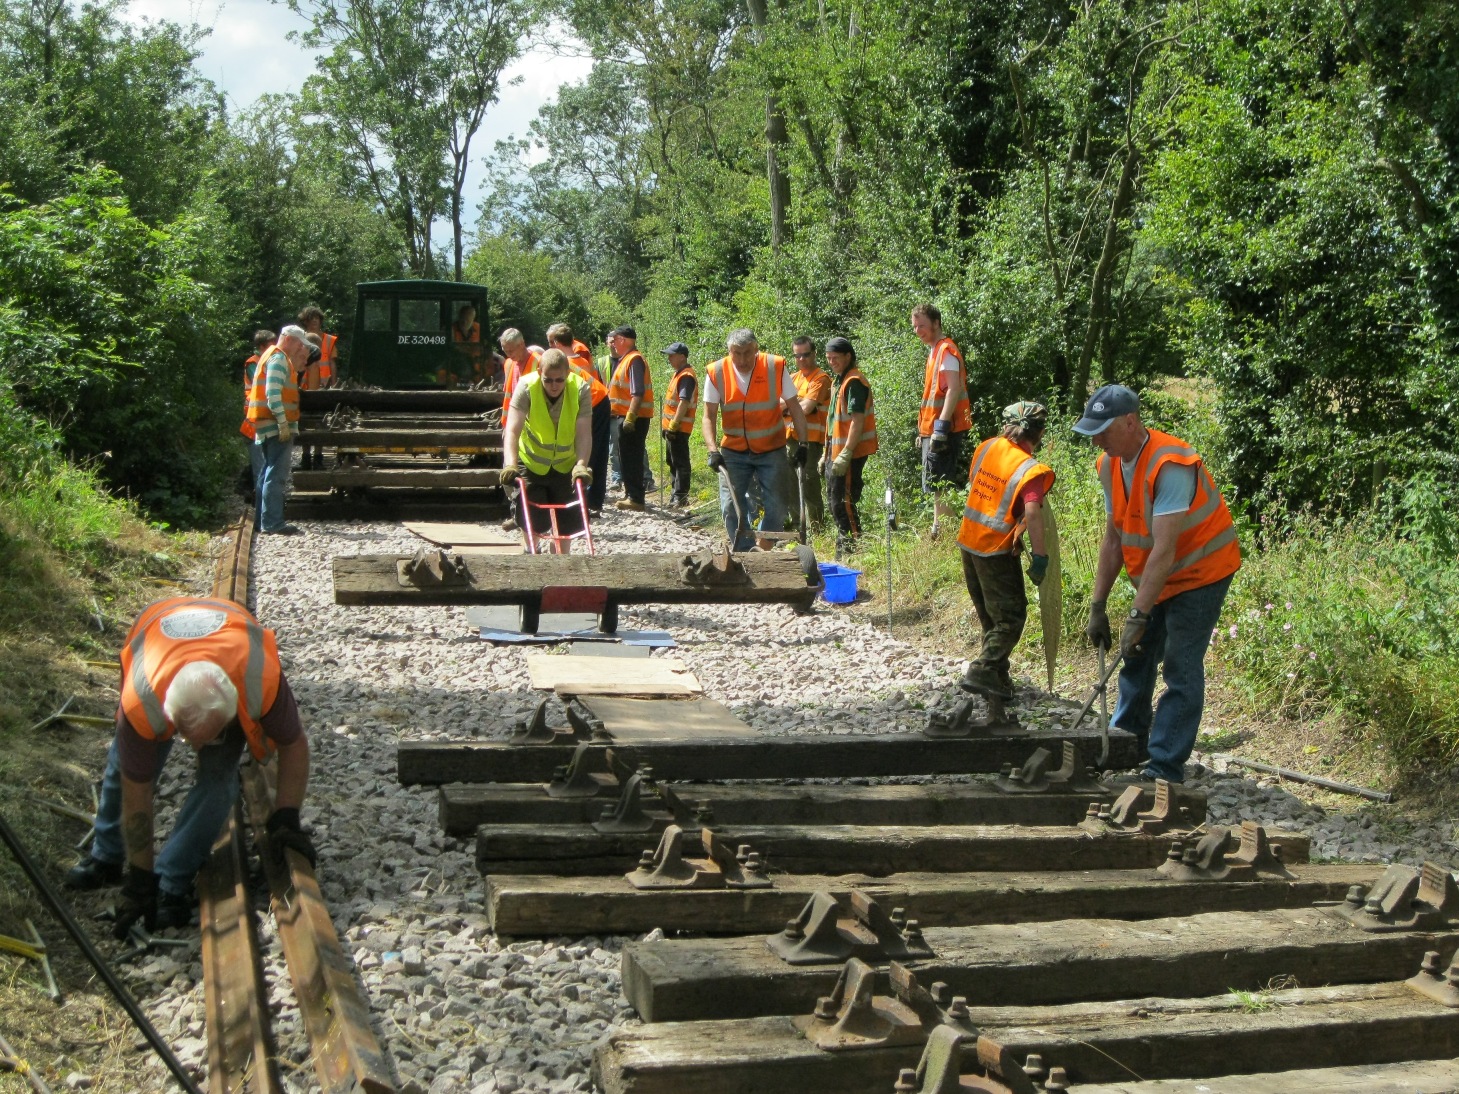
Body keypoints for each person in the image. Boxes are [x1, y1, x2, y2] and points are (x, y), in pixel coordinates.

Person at [64, 597, 314, 937]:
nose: (196, 748)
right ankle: (106, 855)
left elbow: (293, 743)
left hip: (230, 646)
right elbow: (136, 788)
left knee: (219, 780)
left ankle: (171, 881)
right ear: (169, 713)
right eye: (188, 736)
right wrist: (139, 880)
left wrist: (286, 816)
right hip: (157, 632)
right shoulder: (142, 698)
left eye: (206, 737)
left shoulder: (258, 678)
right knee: (125, 764)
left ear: (232, 709)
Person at [1074, 384, 1242, 784]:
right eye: (1092, 431)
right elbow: (1114, 538)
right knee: (1137, 654)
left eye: (1103, 430)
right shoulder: (1108, 463)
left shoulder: (1171, 464)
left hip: (1200, 572)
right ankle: (1126, 743)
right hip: (1159, 575)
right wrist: (1098, 605)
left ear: (1130, 422)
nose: (1096, 439)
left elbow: (1164, 550)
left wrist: (1138, 613)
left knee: (1180, 666)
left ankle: (1164, 766)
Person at [955, 401, 1056, 699]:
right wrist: (1040, 556)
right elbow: (1033, 512)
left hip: (969, 542)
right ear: (1038, 434)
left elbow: (977, 485)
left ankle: (998, 678)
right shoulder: (1030, 469)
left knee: (990, 616)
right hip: (995, 549)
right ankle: (983, 669)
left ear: (1006, 426)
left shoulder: (986, 448)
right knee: (1010, 617)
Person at [702, 328, 810, 550]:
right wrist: (713, 450)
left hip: (772, 449)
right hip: (733, 451)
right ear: (729, 351)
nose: (742, 359)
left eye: (747, 353)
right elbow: (708, 416)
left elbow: (795, 408)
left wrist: (803, 444)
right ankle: (744, 553)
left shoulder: (774, 367)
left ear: (756, 350)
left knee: (778, 506)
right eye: (736, 353)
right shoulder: (716, 372)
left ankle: (762, 547)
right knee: (731, 506)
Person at [499, 349, 593, 536]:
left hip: (565, 464)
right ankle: (532, 556)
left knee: (568, 522)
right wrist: (510, 464)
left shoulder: (581, 389)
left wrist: (581, 465)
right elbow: (512, 430)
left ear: (568, 374)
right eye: (548, 380)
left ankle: (562, 560)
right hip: (532, 461)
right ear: (540, 372)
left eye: (559, 380)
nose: (554, 385)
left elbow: (583, 433)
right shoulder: (526, 386)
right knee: (532, 519)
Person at [911, 304, 972, 527]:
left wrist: (940, 429)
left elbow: (953, 390)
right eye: (915, 326)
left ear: (936, 323)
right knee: (935, 482)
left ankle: (944, 530)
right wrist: (924, 432)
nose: (918, 331)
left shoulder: (946, 351)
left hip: (944, 429)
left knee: (940, 482)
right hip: (934, 428)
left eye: (922, 326)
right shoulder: (935, 351)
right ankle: (940, 528)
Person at [245, 325, 310, 535]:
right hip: (275, 425)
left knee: (266, 472)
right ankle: (272, 523)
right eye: (300, 343)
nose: (301, 348)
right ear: (289, 339)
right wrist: (283, 422)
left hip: (266, 423)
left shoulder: (269, 356)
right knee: (276, 474)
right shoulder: (279, 358)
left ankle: (262, 520)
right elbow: (273, 393)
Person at [821, 336, 878, 558]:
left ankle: (853, 550)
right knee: (835, 503)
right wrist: (825, 455)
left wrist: (846, 452)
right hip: (834, 453)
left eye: (836, 358)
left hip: (849, 455)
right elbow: (834, 422)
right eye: (828, 358)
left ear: (848, 356)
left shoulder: (854, 381)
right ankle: (843, 550)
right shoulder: (839, 381)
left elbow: (857, 420)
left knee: (843, 503)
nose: (832, 362)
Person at [547, 323, 610, 514]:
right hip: (592, 400)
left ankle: (590, 503)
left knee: (591, 451)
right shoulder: (568, 360)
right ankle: (585, 501)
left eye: (551, 342)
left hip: (596, 402)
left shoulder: (564, 363)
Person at [779, 336, 831, 531]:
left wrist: (790, 405)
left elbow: (807, 408)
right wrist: (793, 403)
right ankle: (796, 525)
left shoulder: (821, 378)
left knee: (808, 482)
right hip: (790, 438)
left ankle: (817, 527)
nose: (801, 359)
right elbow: (777, 406)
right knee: (790, 482)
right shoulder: (792, 378)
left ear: (814, 354)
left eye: (806, 355)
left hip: (810, 440)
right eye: (797, 355)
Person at [607, 326, 654, 511]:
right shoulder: (626, 359)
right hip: (627, 416)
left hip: (633, 418)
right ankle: (631, 494)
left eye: (615, 339)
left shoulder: (633, 360)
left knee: (632, 458)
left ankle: (636, 498)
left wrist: (630, 418)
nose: (613, 343)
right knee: (627, 457)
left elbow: (637, 392)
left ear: (624, 340)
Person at [240, 330, 276, 499]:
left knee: (263, 466)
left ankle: (260, 501)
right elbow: (263, 382)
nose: (275, 346)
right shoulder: (253, 363)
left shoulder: (267, 361)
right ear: (261, 346)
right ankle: (259, 504)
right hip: (253, 423)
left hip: (260, 421)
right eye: (271, 343)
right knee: (261, 468)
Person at [660, 342, 697, 507]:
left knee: (680, 462)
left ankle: (680, 497)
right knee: (673, 461)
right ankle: (676, 495)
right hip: (673, 428)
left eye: (672, 355)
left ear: (682, 357)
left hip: (678, 429)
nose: (669, 358)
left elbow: (684, 402)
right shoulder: (680, 374)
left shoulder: (686, 376)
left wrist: (674, 424)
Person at [296, 306, 338, 389]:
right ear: (305, 321)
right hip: (302, 384)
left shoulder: (329, 340)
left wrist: (333, 384)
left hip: (324, 384)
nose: (314, 320)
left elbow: (332, 363)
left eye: (317, 318)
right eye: (311, 318)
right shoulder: (298, 339)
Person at [444, 303, 483, 386]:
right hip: (458, 359)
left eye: (468, 319)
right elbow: (450, 349)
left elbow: (484, 345)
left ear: (473, 319)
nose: (464, 322)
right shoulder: (451, 329)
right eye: (463, 318)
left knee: (499, 359)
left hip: (477, 357)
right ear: (459, 316)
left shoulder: (479, 328)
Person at [500, 329, 541, 399]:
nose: (508, 355)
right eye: (505, 351)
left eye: (511, 351)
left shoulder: (539, 362)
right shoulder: (508, 364)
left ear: (522, 344)